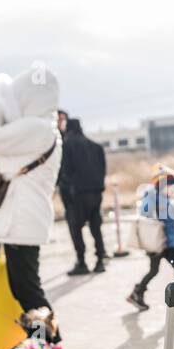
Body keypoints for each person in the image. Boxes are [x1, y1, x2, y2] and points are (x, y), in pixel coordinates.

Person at [0, 65, 68, 349]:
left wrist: (2, 105)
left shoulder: (37, 127)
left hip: (23, 221)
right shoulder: (43, 127)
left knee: (29, 292)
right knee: (24, 289)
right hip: (23, 219)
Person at [126, 165, 174, 310]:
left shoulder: (165, 199)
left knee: (155, 270)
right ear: (161, 186)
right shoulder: (153, 197)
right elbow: (145, 213)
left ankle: (137, 292)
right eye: (170, 186)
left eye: (173, 187)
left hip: (167, 243)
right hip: (160, 244)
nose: (173, 190)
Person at [57, 112, 108, 275]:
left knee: (75, 229)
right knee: (96, 227)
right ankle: (100, 261)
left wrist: (67, 191)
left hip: (76, 196)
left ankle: (82, 262)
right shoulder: (96, 147)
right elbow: (102, 170)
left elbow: (64, 172)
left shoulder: (66, 146)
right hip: (96, 193)